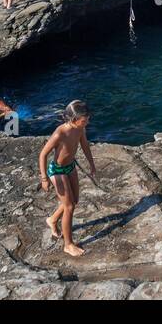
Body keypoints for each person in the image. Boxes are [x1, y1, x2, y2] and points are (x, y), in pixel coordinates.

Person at [38, 100, 99, 258]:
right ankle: (68, 245)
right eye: (84, 120)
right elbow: (43, 154)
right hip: (57, 171)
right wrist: (44, 178)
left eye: (87, 119)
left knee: (74, 201)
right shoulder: (60, 133)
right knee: (70, 206)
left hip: (70, 167)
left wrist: (92, 164)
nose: (87, 122)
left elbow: (85, 146)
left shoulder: (80, 129)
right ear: (73, 120)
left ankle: (52, 220)